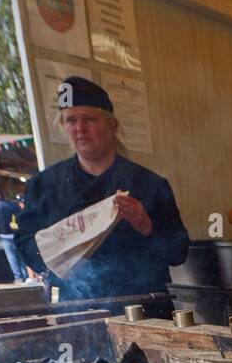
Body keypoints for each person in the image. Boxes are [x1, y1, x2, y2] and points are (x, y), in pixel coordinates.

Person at [15, 76, 188, 310]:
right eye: (71, 120)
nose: (80, 128)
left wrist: (146, 225)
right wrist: (55, 244)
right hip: (76, 309)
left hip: (145, 307)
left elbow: (178, 252)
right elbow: (28, 249)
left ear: (111, 125)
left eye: (89, 119)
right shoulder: (43, 186)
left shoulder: (149, 184)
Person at [0, 189, 28, 283]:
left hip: (4, 236)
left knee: (11, 257)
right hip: (17, 234)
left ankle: (18, 277)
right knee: (21, 256)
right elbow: (21, 219)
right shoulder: (13, 206)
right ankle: (26, 276)